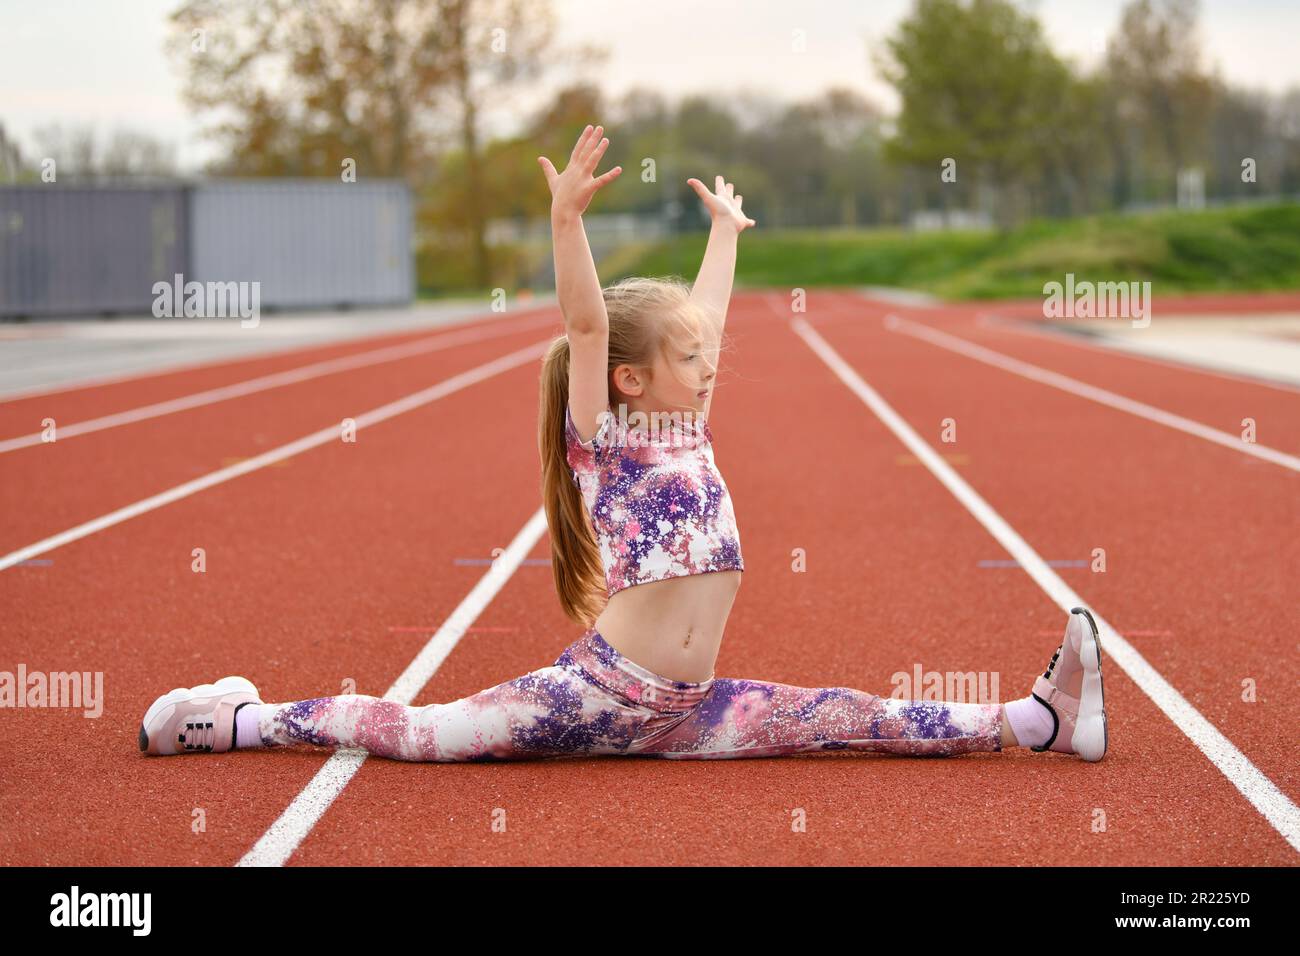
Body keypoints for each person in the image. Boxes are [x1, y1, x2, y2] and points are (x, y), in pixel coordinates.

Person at [139, 124, 1108, 764]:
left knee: (852, 714)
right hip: (600, 693)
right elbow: (587, 324)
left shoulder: (684, 419)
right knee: (426, 734)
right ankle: (240, 717)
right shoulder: (606, 438)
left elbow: (710, 316)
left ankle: (1038, 719)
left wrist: (724, 232)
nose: (713, 360)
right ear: (630, 380)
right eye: (689, 354)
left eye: (706, 350)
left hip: (689, 706)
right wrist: (566, 222)